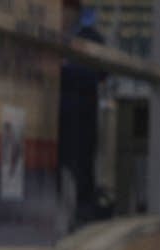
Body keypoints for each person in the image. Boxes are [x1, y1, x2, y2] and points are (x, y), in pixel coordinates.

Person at [59, 8, 108, 227]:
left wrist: (64, 70)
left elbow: (101, 72)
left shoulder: (90, 37)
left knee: (81, 170)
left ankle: (82, 217)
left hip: (79, 116)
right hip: (57, 116)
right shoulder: (54, 31)